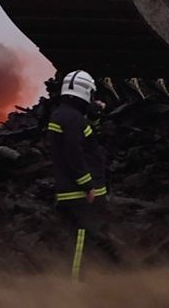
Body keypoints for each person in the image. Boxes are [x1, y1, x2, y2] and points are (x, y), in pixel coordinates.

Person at [47, 70, 120, 280]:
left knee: (90, 235)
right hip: (79, 193)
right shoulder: (71, 119)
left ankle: (98, 277)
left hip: (75, 189)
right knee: (82, 237)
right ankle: (75, 285)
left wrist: (94, 116)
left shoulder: (66, 115)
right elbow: (74, 153)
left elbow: (84, 139)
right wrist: (87, 185)